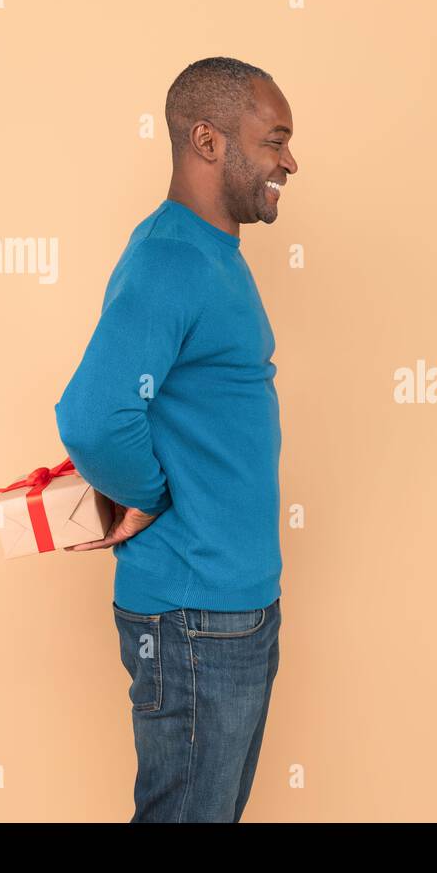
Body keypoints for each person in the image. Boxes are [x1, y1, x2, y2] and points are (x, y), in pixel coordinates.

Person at [53, 57, 298, 822]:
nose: (290, 161)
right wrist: (151, 496)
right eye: (275, 140)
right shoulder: (168, 258)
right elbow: (94, 415)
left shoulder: (212, 255)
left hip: (235, 605)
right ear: (207, 139)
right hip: (195, 617)